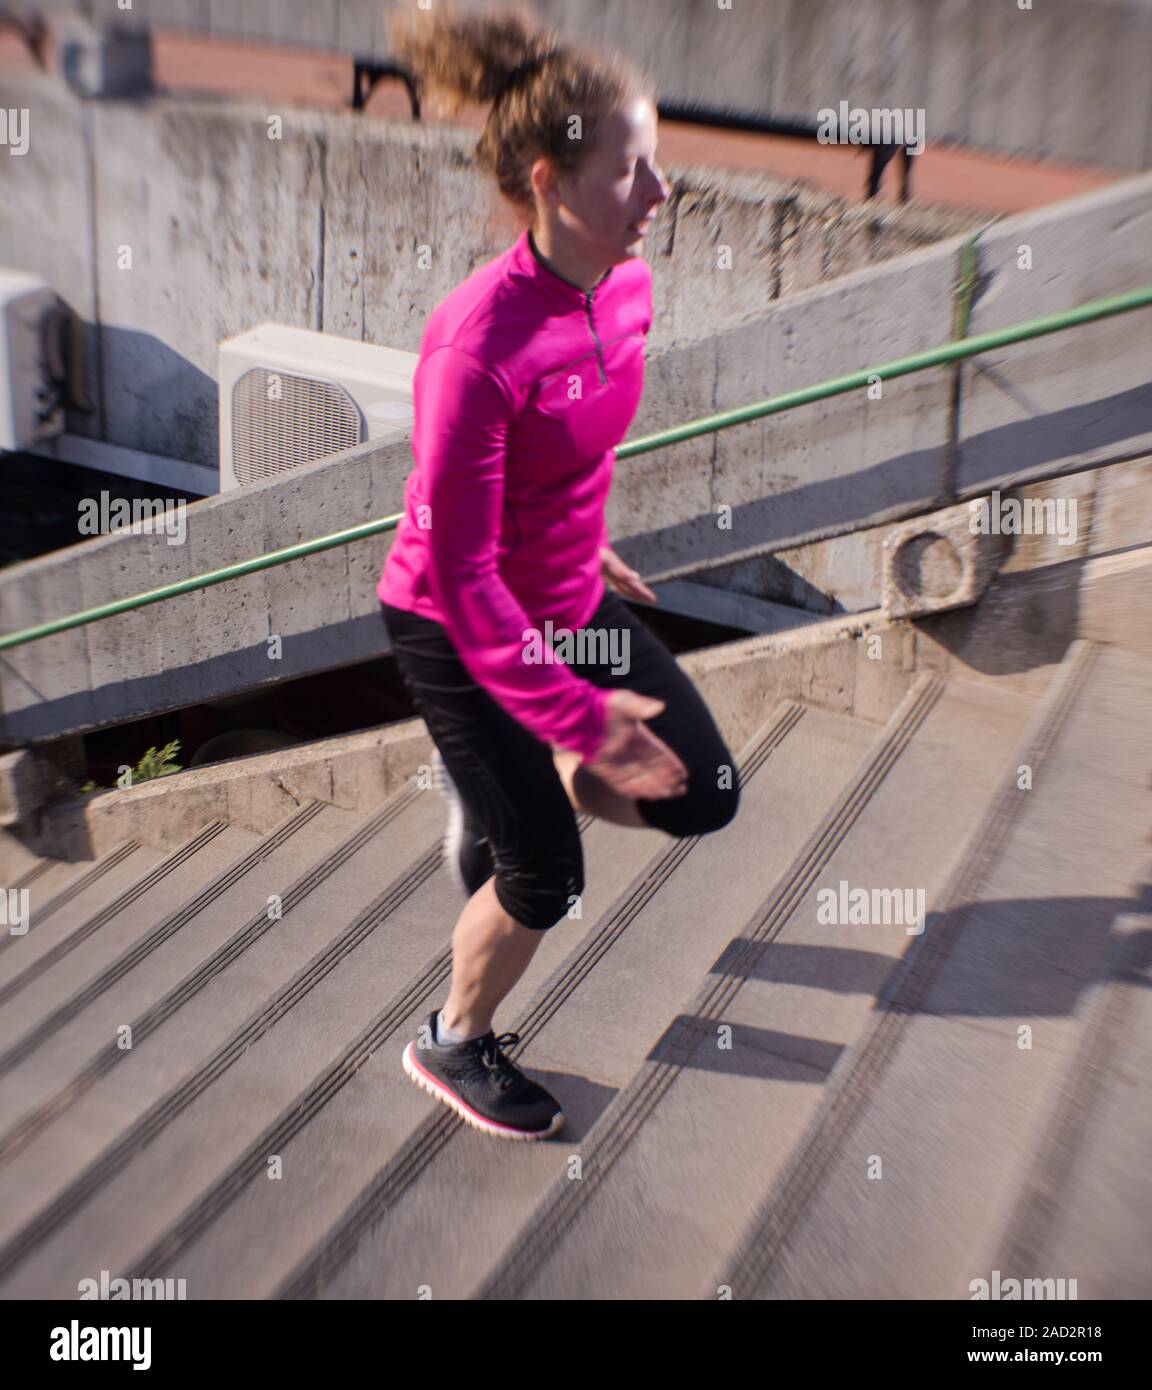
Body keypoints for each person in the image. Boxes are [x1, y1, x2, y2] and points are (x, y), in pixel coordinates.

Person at [376, 4, 741, 1141]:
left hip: (563, 593)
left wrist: (582, 542)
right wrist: (584, 713)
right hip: (455, 620)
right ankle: (452, 1041)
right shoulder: (473, 346)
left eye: (657, 161)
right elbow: (463, 573)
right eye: (631, 171)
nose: (660, 193)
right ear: (549, 181)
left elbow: (575, 445)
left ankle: (499, 802)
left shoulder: (623, 288)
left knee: (707, 793)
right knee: (549, 879)